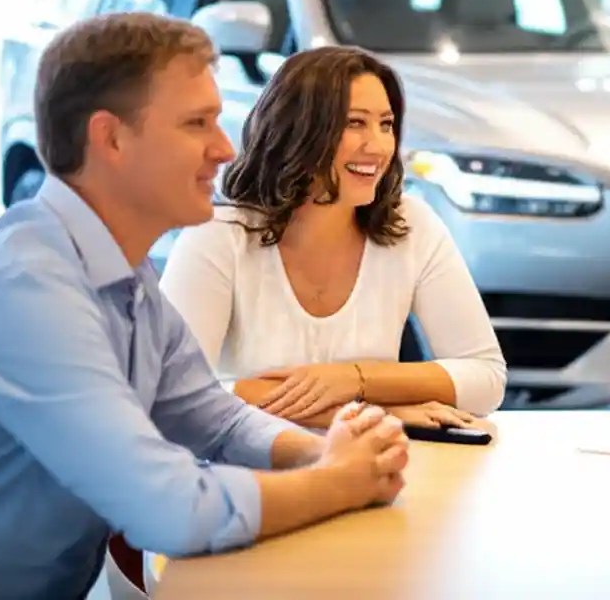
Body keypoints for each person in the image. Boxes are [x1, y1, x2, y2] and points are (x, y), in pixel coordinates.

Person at [0, 13, 409, 599]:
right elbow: (173, 510)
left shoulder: (119, 267)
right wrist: (340, 480)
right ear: (110, 138)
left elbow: (211, 416)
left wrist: (331, 450)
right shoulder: (27, 290)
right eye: (197, 124)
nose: (225, 147)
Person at [159, 46, 506, 430]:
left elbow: (485, 378)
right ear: (298, 130)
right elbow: (177, 397)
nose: (377, 146)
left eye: (386, 125)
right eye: (355, 123)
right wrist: (370, 412)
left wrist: (355, 378)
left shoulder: (411, 225)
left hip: (373, 470)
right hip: (244, 476)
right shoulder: (218, 235)